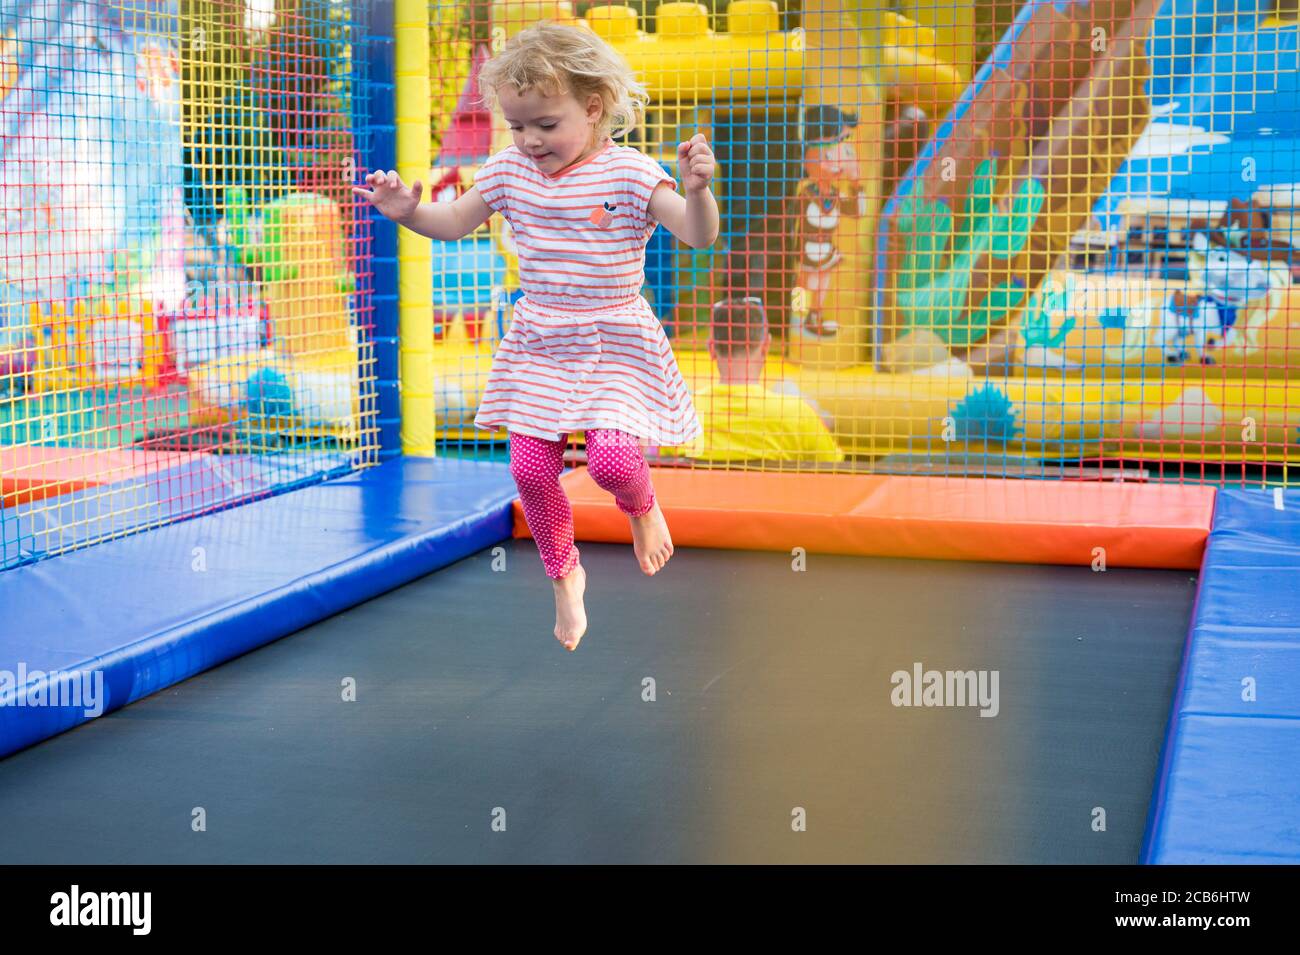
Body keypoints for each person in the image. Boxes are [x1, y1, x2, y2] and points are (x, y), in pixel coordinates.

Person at [353, 21, 718, 652]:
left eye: (545, 125)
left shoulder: (630, 173)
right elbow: (454, 221)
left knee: (611, 460)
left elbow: (697, 233)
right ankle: (564, 573)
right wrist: (409, 212)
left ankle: (642, 507)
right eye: (518, 126)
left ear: (593, 107)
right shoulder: (507, 171)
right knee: (529, 466)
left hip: (613, 336)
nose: (529, 140)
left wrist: (697, 191)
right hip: (542, 336)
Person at [659, 297, 844, 464]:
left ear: (711, 348)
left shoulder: (679, 416)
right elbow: (836, 469)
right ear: (766, 346)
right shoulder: (798, 415)